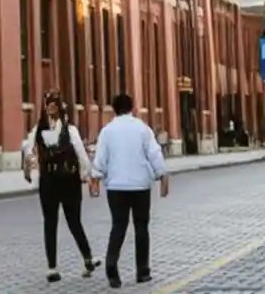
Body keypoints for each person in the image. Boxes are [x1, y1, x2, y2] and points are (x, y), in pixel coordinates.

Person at [89, 93, 169, 288]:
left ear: (114, 109)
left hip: (116, 187)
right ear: (132, 108)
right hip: (140, 186)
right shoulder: (142, 129)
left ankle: (111, 267)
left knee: (118, 226)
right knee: (141, 227)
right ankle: (142, 271)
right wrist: (162, 176)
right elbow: (154, 153)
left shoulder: (107, 131)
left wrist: (95, 179)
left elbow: (100, 158)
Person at [21, 90, 101, 283]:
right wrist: (27, 170)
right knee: (50, 223)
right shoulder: (37, 130)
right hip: (49, 181)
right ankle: (52, 268)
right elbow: (28, 149)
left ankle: (88, 258)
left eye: (54, 104)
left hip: (69, 181)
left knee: (74, 221)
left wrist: (87, 176)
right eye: (49, 104)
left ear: (60, 108)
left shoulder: (70, 130)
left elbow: (81, 155)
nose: (51, 108)